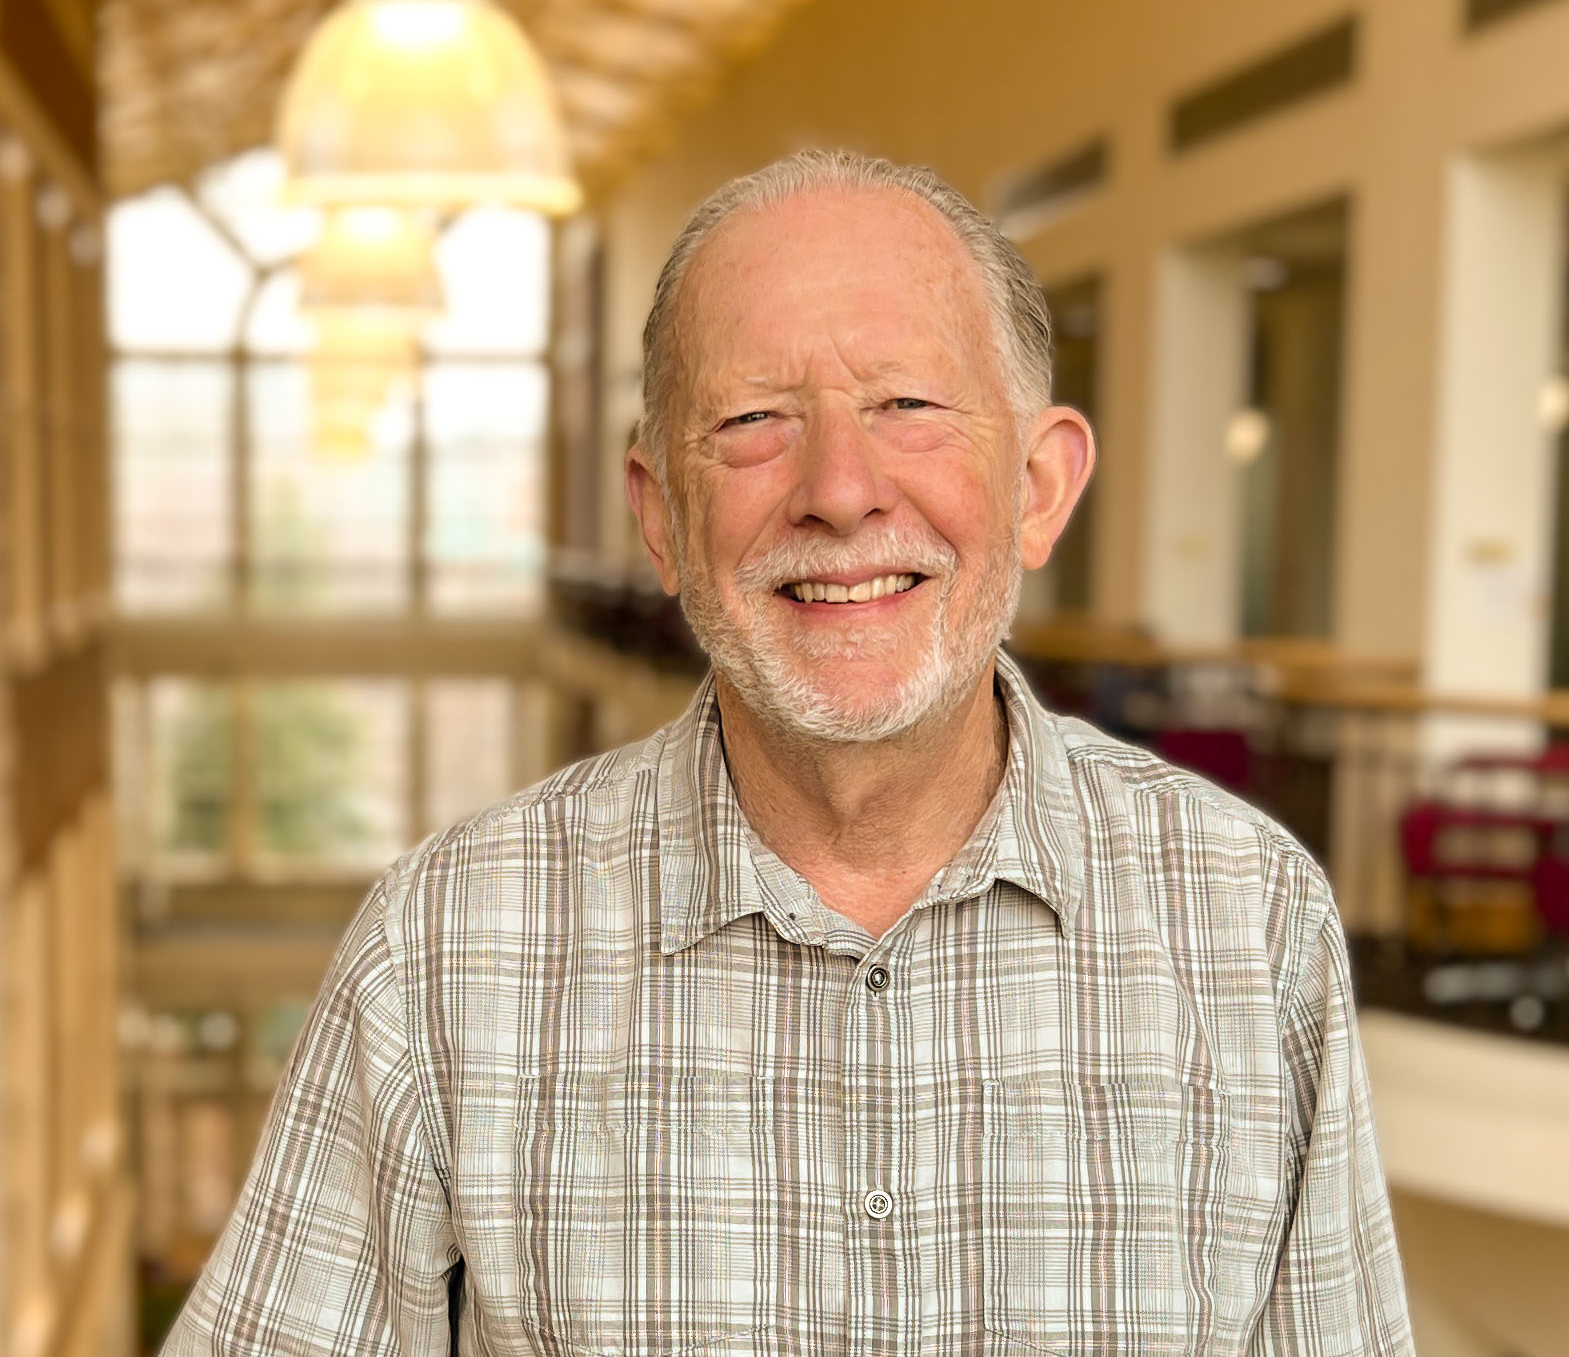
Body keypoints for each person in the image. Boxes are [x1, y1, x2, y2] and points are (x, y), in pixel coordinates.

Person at [162, 150, 1414, 1355]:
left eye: (908, 405)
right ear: (662, 515)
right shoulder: (442, 951)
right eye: (755, 420)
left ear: (1039, 485)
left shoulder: (1251, 925)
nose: (842, 488)